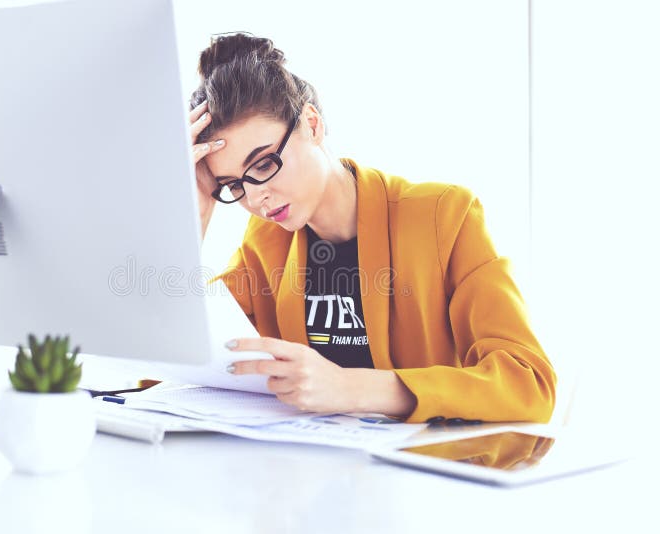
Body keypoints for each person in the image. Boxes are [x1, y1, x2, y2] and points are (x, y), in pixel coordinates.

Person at [188, 33, 556, 423]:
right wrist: (194, 215)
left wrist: (351, 387)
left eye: (263, 165)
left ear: (312, 125)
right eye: (233, 185)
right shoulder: (265, 243)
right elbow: (185, 355)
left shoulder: (445, 216)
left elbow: (529, 385)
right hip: (313, 470)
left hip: (430, 473)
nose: (255, 198)